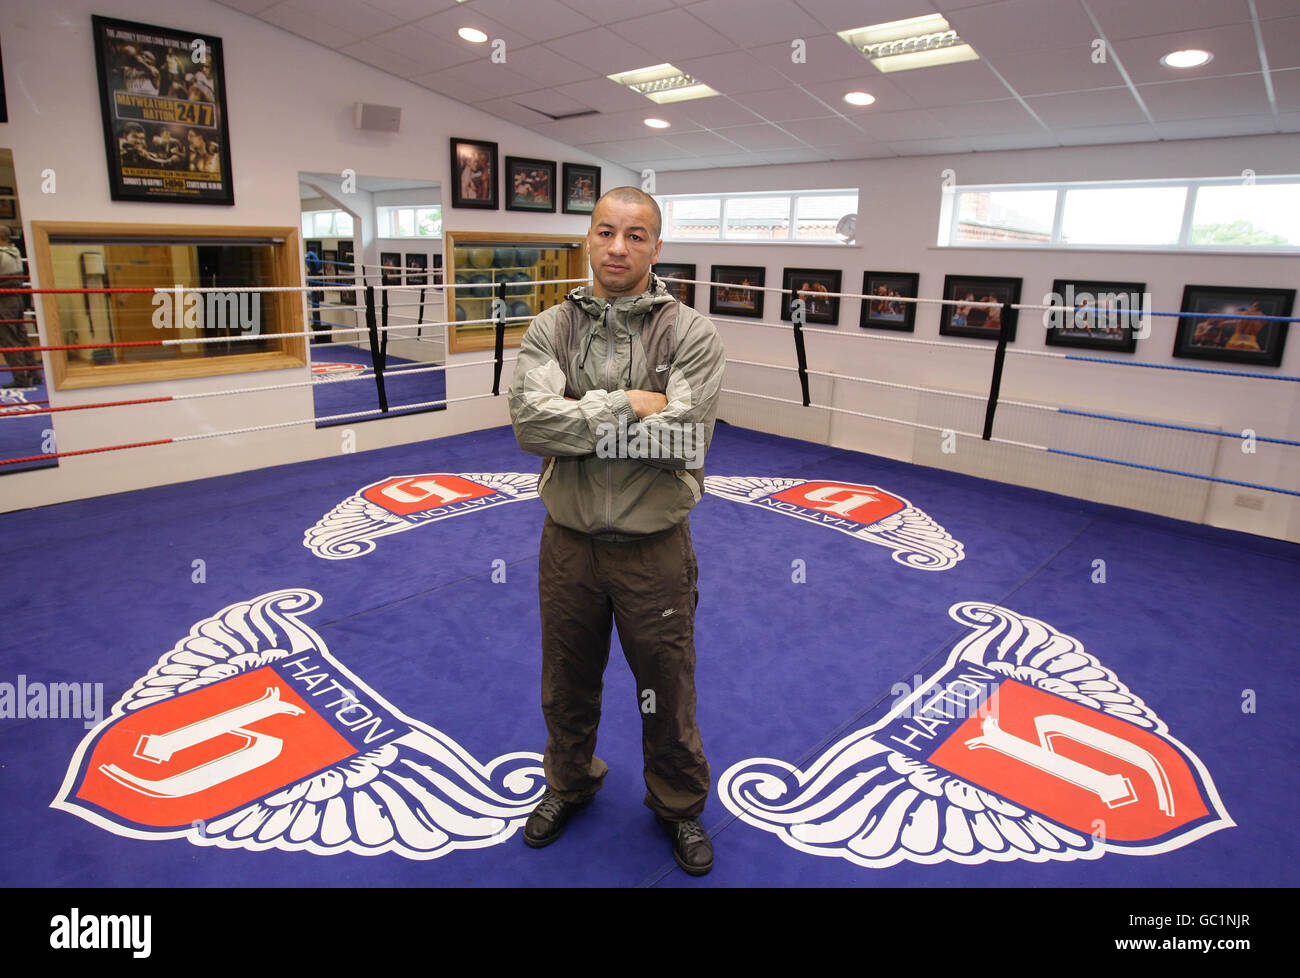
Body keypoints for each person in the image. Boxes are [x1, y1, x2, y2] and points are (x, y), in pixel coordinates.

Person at [507, 186, 725, 875]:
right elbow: (530, 427)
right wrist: (631, 403)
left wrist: (581, 421)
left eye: (636, 235)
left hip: (653, 550)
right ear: (589, 240)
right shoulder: (550, 330)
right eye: (606, 232)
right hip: (567, 545)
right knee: (565, 681)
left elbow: (682, 439)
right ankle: (568, 783)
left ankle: (678, 805)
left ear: (656, 248)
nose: (618, 247)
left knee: (665, 684)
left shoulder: (690, 334)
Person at [0, 227, 41, 388]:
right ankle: (34, 373)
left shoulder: (2, 254)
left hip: (4, 300)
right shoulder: (14, 251)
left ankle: (21, 378)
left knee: (9, 338)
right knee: (21, 336)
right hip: (16, 298)